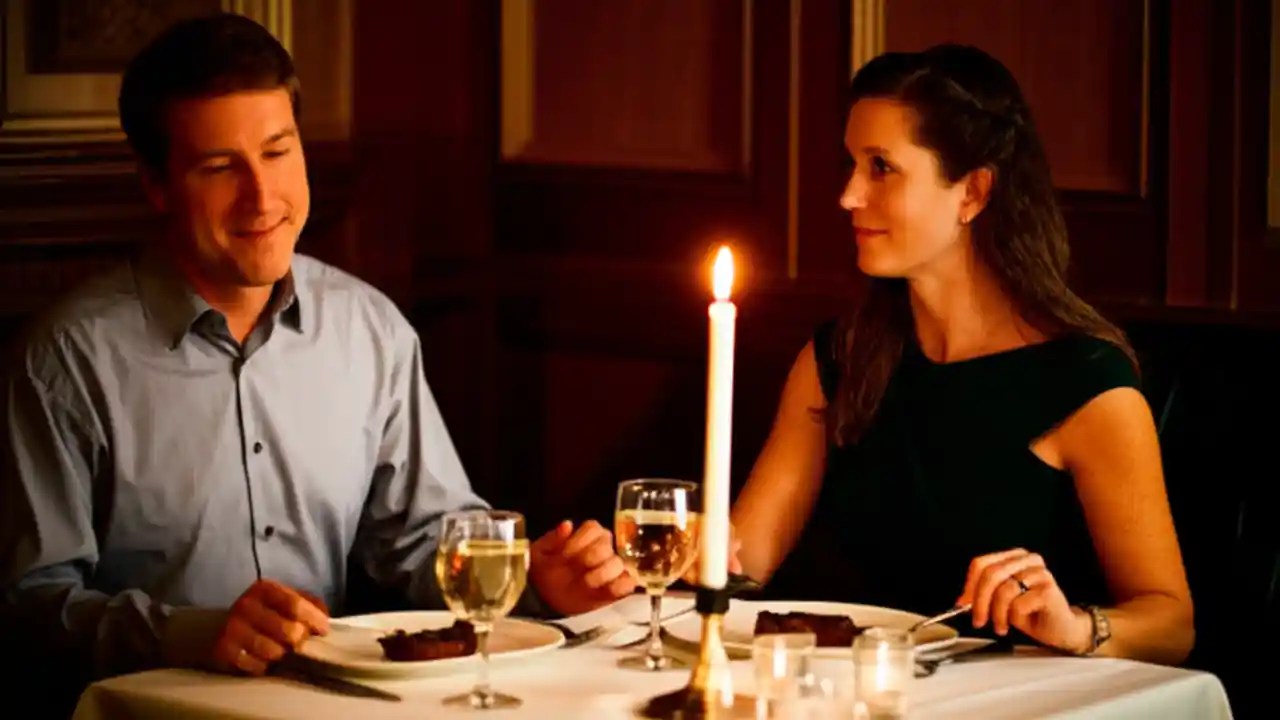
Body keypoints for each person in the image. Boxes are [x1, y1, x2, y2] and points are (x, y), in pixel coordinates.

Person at [0, 12, 634, 705]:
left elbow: (423, 542)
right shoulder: (65, 361)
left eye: (278, 152)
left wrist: (534, 584)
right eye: (220, 167)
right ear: (156, 184)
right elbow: (30, 605)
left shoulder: (369, 329)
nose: (262, 197)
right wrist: (188, 633)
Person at [729, 44, 1194, 665]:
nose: (847, 195)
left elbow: (1171, 624)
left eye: (881, 168)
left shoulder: (1087, 385)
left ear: (973, 193)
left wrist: (1080, 626)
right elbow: (737, 566)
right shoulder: (837, 360)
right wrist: (638, 567)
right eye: (851, 164)